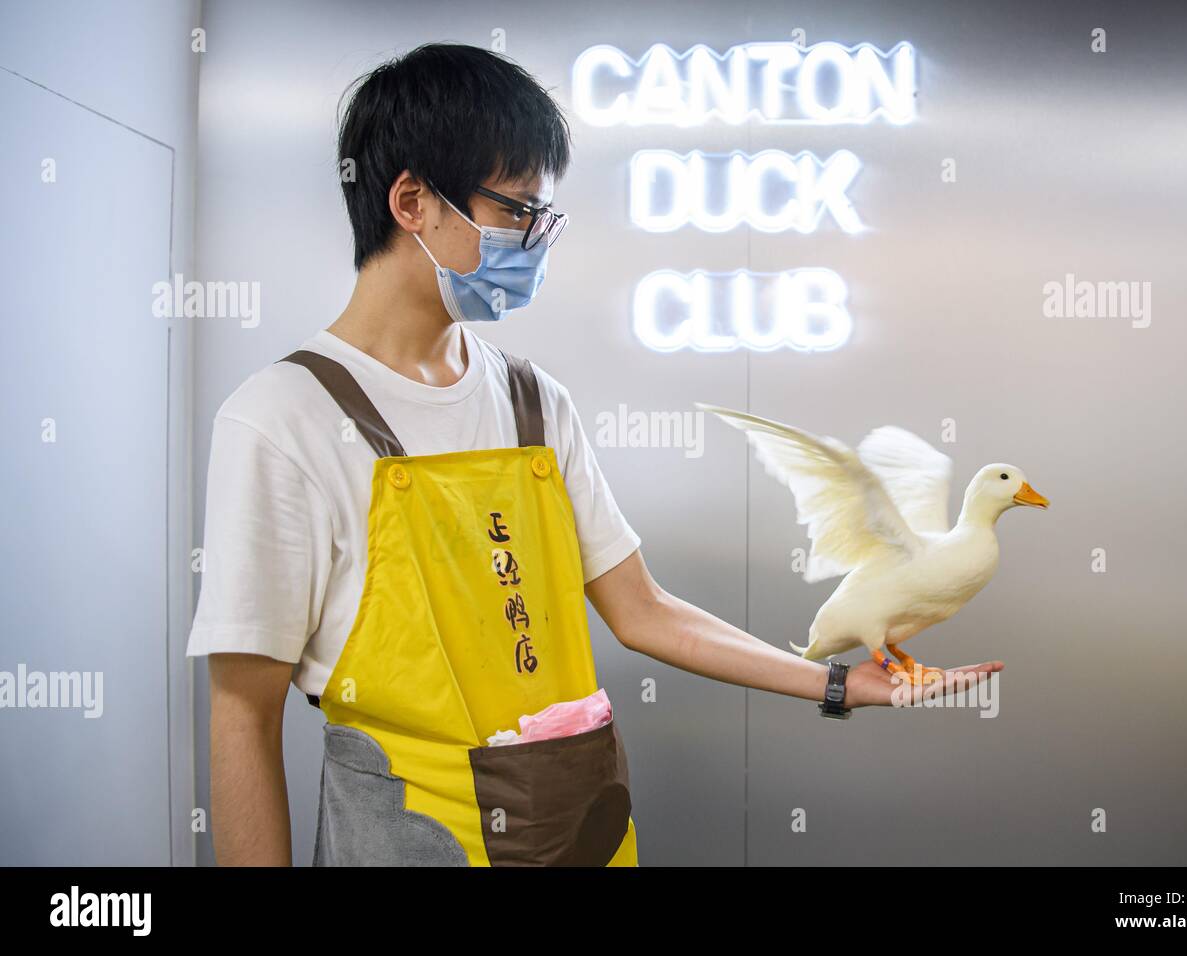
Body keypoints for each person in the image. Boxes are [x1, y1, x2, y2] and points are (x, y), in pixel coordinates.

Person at [186, 42, 1002, 867]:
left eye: (548, 217)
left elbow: (643, 611)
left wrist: (838, 682)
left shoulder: (532, 403)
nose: (537, 239)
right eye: (517, 211)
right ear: (411, 202)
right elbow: (242, 714)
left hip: (575, 837)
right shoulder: (281, 421)